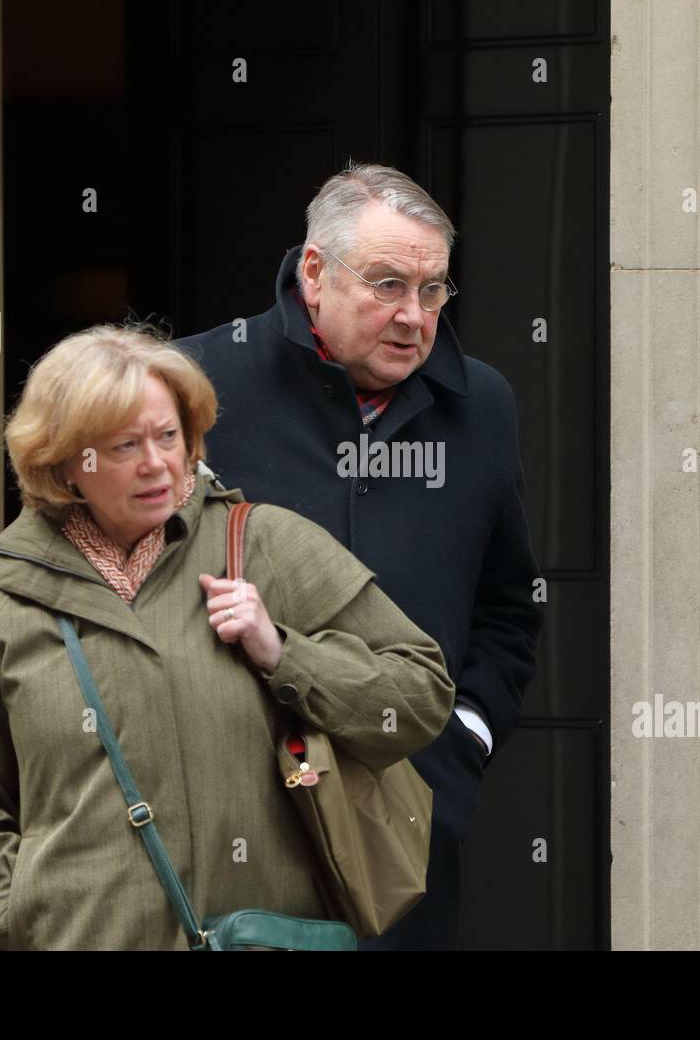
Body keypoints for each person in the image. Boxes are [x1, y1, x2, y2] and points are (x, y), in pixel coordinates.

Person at [0, 325, 455, 950]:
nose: (157, 463)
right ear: (62, 463)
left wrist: (283, 653)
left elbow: (419, 697)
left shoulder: (265, 546)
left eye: (168, 436)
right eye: (123, 446)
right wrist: (23, 922)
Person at [182, 162, 544, 950]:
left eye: (434, 290)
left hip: (405, 818)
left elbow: (512, 603)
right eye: (386, 285)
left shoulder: (482, 406)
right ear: (315, 273)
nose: (415, 316)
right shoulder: (196, 384)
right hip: (232, 818)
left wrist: (463, 739)